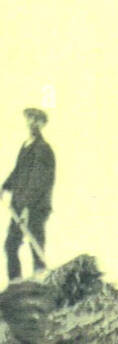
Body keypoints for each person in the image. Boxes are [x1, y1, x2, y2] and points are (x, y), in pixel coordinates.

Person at [2, 108, 56, 279]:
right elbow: (18, 171)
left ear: (42, 124)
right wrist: (4, 186)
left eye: (36, 120)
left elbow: (37, 182)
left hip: (36, 207)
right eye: (29, 118)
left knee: (36, 245)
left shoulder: (43, 149)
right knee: (11, 245)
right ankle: (16, 284)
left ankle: (41, 280)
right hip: (18, 204)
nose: (31, 122)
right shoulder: (26, 146)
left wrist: (27, 207)